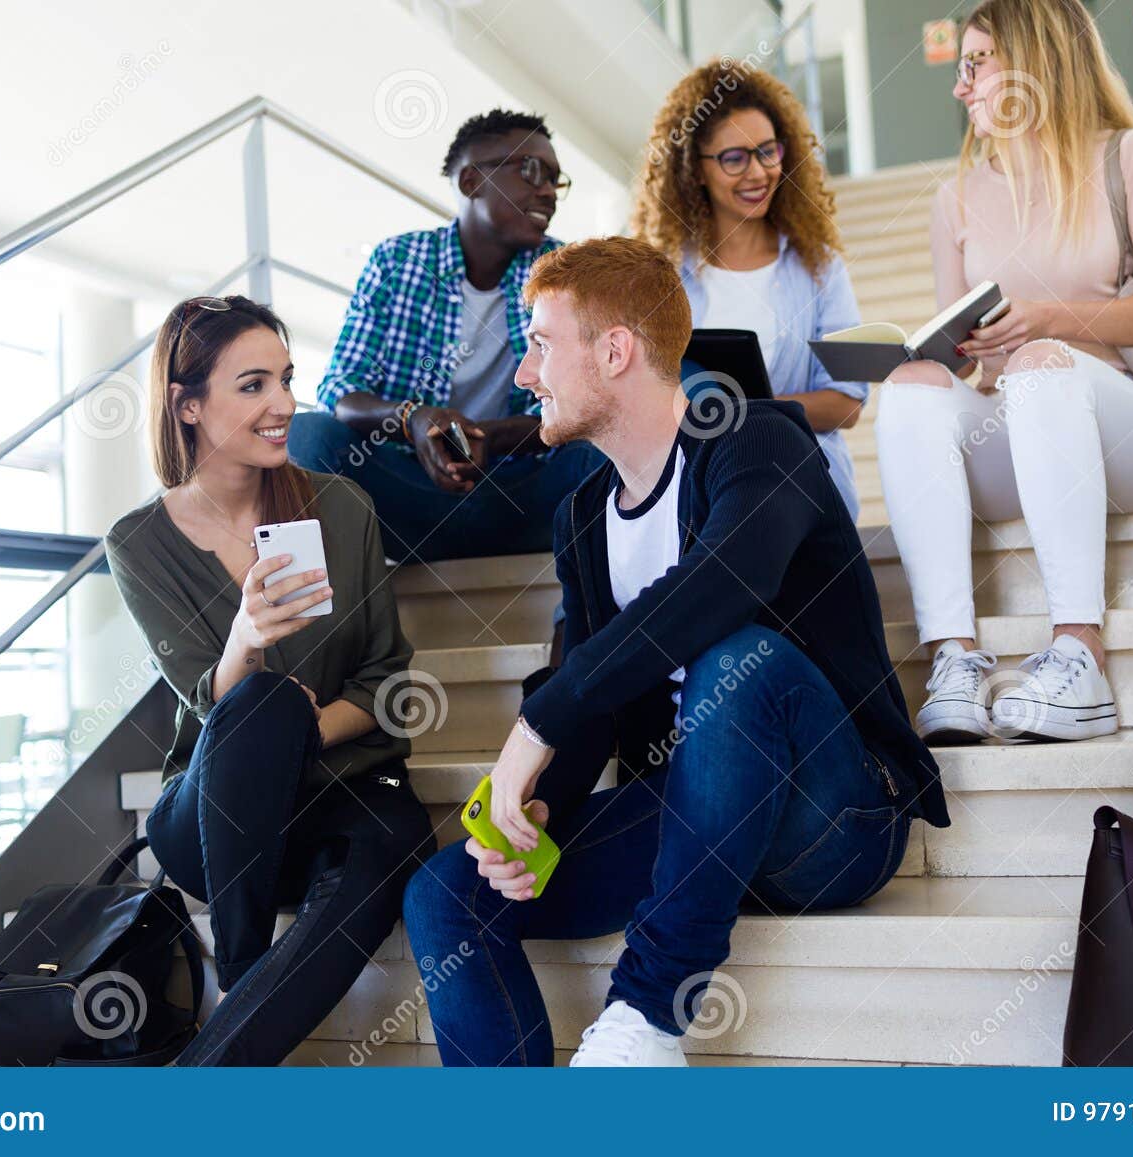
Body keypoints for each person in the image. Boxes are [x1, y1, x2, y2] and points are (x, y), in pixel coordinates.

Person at [401, 238, 948, 1067]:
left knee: (737, 656)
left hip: (831, 816)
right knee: (444, 893)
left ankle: (646, 1019)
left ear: (615, 350)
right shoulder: (583, 514)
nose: (524, 375)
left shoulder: (757, 439)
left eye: (542, 345)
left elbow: (730, 576)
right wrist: (540, 801)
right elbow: (589, 691)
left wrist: (534, 728)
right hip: (691, 815)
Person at [104, 295, 432, 1066]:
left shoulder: (342, 508)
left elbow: (388, 685)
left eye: (286, 380)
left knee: (395, 842)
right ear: (187, 405)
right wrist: (245, 640)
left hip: (341, 790)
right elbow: (211, 706)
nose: (284, 404)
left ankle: (225, 1053)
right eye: (253, 385)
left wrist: (304, 728)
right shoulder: (141, 541)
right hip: (212, 818)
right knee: (258, 702)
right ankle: (244, 963)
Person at [874, 0, 1133, 745]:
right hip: (1022, 427)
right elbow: (973, 355)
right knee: (914, 388)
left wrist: (1049, 321)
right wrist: (944, 355)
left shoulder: (1126, 155)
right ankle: (953, 660)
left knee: (1041, 363)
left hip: (1131, 431)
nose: (961, 87)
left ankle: (1080, 651)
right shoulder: (953, 199)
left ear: (1034, 61)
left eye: (976, 63)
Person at [285, 108, 604, 566]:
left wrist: (485, 438)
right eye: (532, 170)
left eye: (556, 180)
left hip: (524, 497)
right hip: (412, 496)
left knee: (606, 436)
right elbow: (341, 392)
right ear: (472, 181)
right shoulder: (398, 261)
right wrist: (415, 420)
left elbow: (583, 405)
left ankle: (594, 615)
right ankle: (337, 619)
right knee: (308, 433)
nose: (548, 192)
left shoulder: (563, 272)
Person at [632, 60, 868, 519]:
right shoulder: (660, 276)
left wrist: (742, 414)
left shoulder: (821, 268)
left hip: (801, 478)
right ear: (694, 170)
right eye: (734, 158)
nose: (759, 172)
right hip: (697, 484)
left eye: (768, 151)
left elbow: (846, 403)